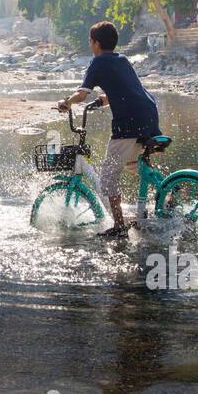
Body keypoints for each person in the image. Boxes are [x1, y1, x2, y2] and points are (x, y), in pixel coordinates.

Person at [57, 21, 160, 237]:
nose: (90, 45)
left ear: (95, 43)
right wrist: (104, 100)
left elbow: (82, 94)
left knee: (107, 177)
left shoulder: (98, 63)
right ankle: (167, 199)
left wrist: (67, 102)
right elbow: (127, 89)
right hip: (149, 115)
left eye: (90, 41)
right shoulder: (121, 60)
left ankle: (119, 226)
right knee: (136, 167)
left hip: (129, 124)